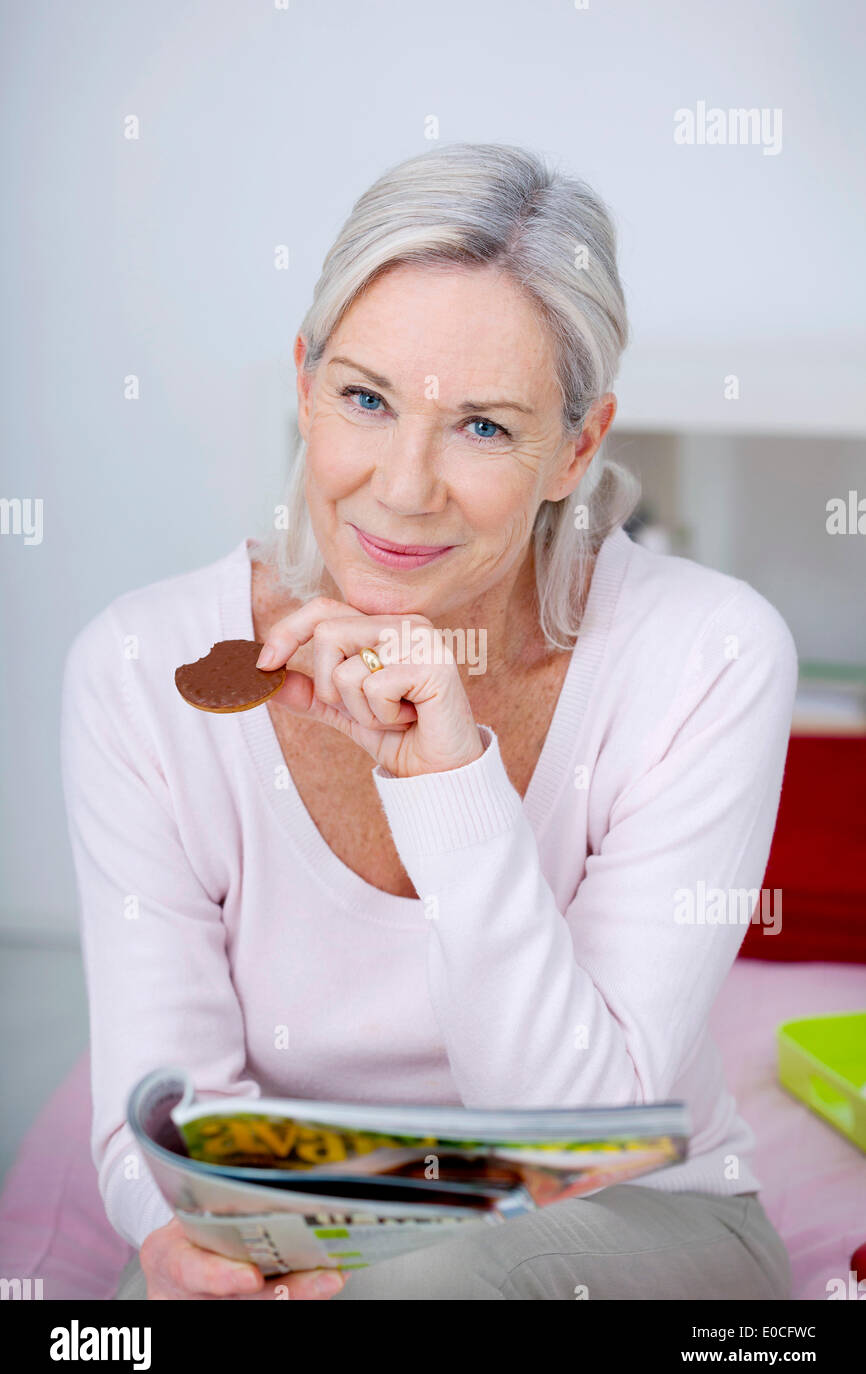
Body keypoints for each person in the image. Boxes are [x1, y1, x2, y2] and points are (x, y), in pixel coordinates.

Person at [61, 143, 796, 1301]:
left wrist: (449, 776)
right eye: (364, 399)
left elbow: (583, 1138)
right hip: (293, 1224)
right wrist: (184, 1245)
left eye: (484, 429)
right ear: (303, 381)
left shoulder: (708, 652)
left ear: (578, 448)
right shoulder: (138, 666)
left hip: (635, 1216)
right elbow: (161, 1104)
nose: (403, 488)